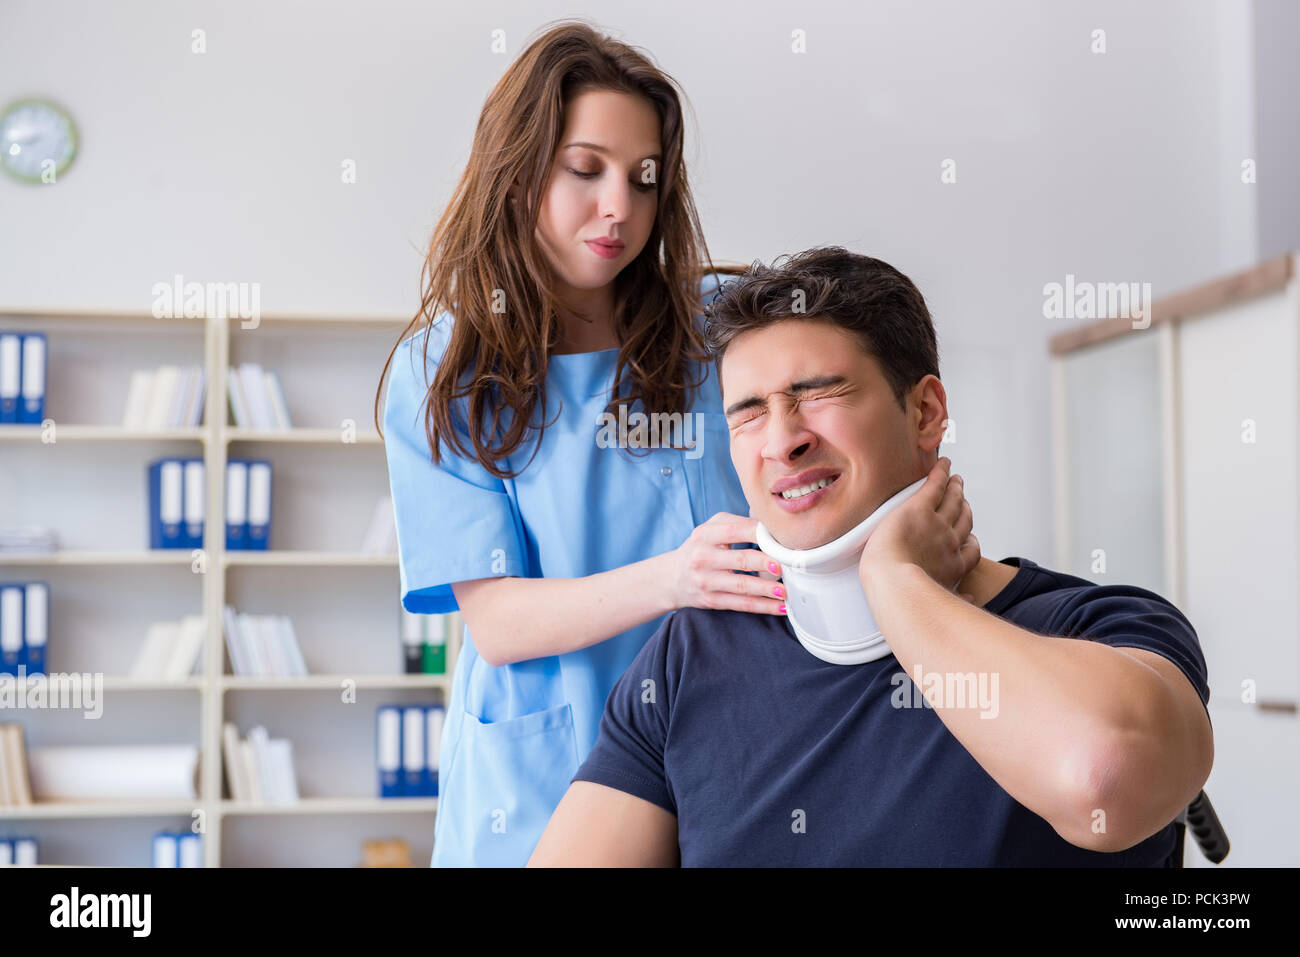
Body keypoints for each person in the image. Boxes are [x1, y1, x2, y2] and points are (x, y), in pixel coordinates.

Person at [375, 23, 970, 867]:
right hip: (544, 774)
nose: (619, 206)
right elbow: (498, 623)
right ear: (518, 170)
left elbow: (853, 408)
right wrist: (673, 580)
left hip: (733, 738)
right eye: (585, 169)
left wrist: (921, 506)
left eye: (643, 177)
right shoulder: (443, 370)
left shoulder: (718, 324)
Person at [528, 246, 1215, 866]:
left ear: (924, 413)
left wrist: (895, 581)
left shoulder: (1098, 628)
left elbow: (1105, 776)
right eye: (748, 413)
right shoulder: (692, 655)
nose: (782, 440)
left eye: (818, 392)